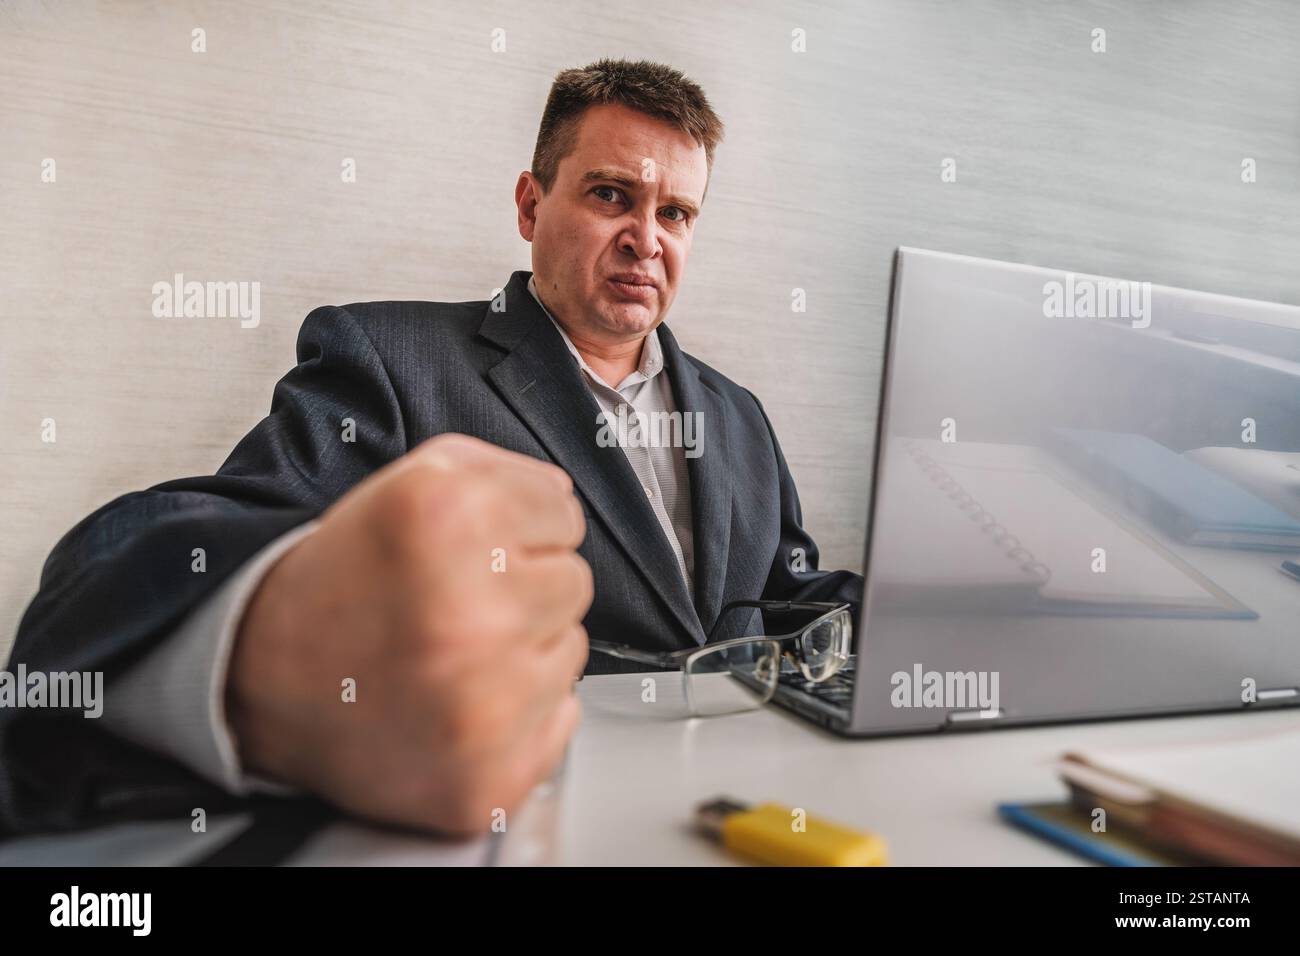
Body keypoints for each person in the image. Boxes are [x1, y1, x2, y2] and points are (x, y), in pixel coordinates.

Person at [1, 58, 861, 838]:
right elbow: (167, 545)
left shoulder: (738, 413)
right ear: (531, 205)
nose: (648, 237)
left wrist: (934, 615)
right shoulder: (390, 359)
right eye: (610, 196)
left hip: (746, 814)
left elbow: (787, 595)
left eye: (675, 211)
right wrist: (265, 640)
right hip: (527, 826)